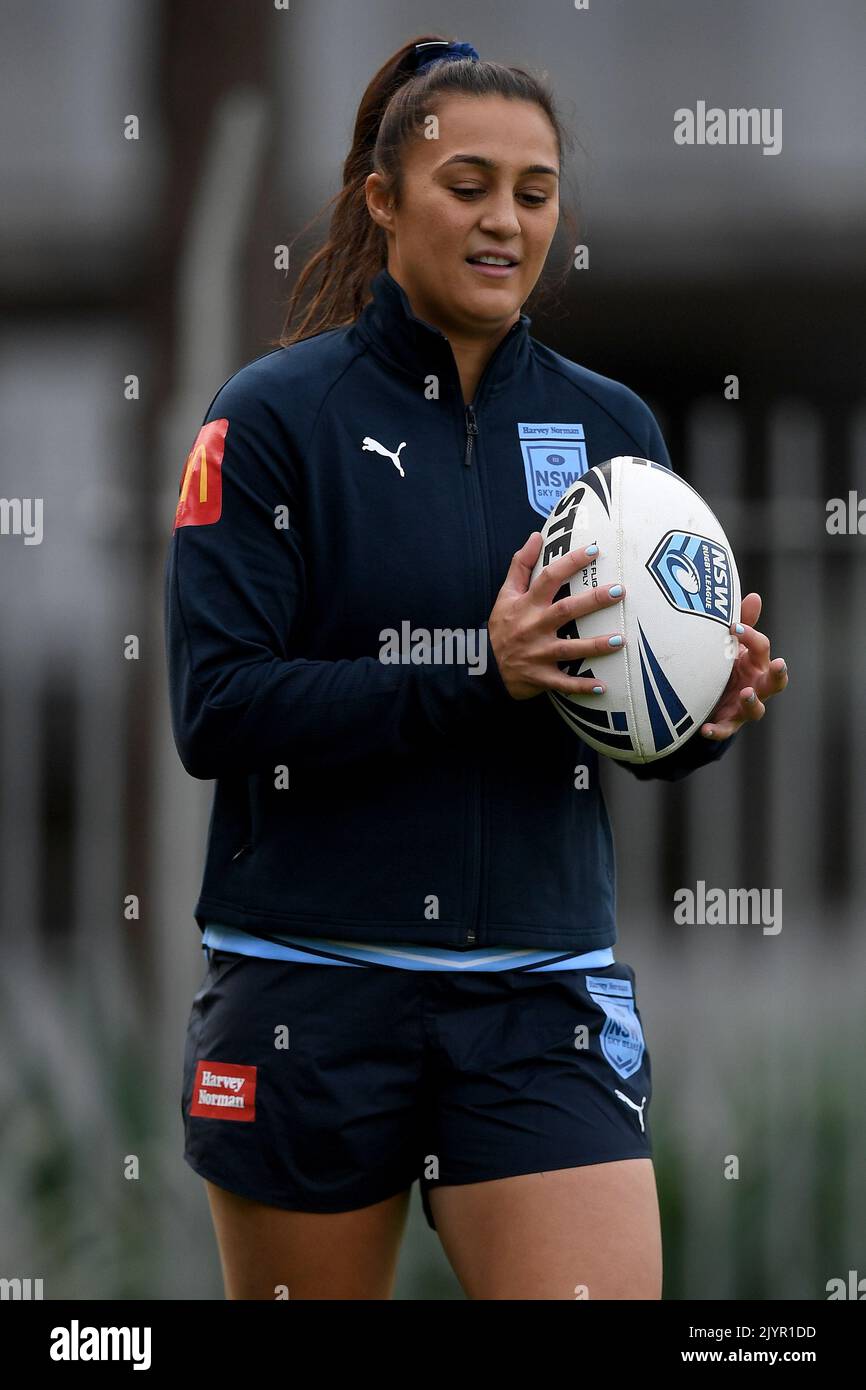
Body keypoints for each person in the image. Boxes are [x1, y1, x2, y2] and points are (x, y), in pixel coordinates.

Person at [165, 35, 789, 1300]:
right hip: (309, 992)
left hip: (535, 995)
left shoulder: (615, 432)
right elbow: (214, 710)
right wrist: (472, 679)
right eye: (468, 184)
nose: (505, 220)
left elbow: (607, 716)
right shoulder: (273, 416)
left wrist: (692, 716)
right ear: (384, 198)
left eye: (535, 190)